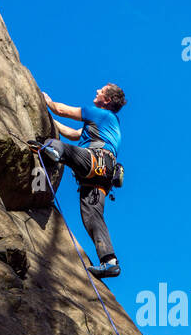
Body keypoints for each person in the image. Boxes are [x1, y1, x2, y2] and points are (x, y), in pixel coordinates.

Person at [32, 83, 126, 280]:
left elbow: (62, 110)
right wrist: (51, 120)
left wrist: (46, 101)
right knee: (92, 217)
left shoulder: (99, 114)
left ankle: (52, 153)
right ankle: (110, 262)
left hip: (94, 161)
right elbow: (74, 134)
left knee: (56, 146)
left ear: (107, 100)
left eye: (101, 91)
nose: (97, 91)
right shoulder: (108, 123)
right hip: (103, 175)